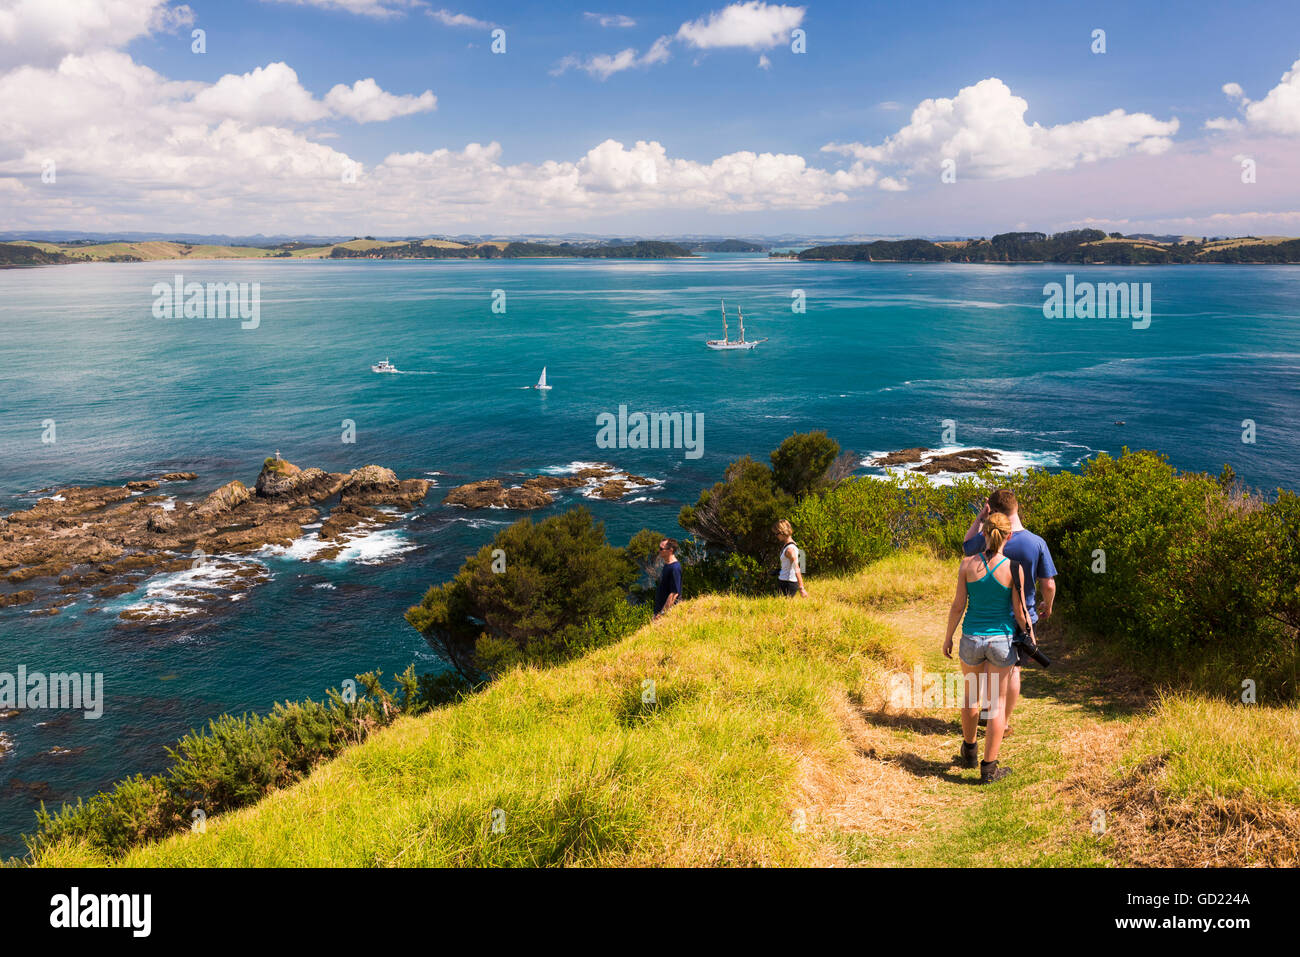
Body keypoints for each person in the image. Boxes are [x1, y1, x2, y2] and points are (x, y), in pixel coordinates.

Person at [943, 511, 1028, 783]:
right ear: (1009, 536)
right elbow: (1019, 610)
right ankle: (989, 769)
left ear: (983, 533)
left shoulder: (967, 565)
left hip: (971, 638)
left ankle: (969, 750)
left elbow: (958, 606)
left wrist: (948, 638)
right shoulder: (1015, 568)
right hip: (1001, 641)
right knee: (997, 704)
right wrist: (1031, 636)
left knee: (970, 696)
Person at [961, 489, 1057, 728]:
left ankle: (984, 714)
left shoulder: (989, 537)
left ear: (992, 511)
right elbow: (1048, 583)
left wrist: (980, 519)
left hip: (988, 618)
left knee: (982, 672)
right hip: (1022, 617)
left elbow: (966, 546)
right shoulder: (1036, 543)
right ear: (1017, 507)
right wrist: (1048, 605)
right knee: (1014, 671)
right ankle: (1001, 722)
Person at [773, 519, 808, 597]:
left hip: (788, 584)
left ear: (782, 532)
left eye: (776, 534)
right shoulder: (789, 546)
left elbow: (797, 568)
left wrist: (801, 588)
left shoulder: (790, 550)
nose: (776, 536)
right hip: (784, 581)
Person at [654, 538, 682, 618]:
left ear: (670, 550)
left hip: (667, 613)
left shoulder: (675, 568)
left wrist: (662, 614)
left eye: (661, 549)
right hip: (659, 610)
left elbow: (674, 593)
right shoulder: (667, 564)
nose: (658, 551)